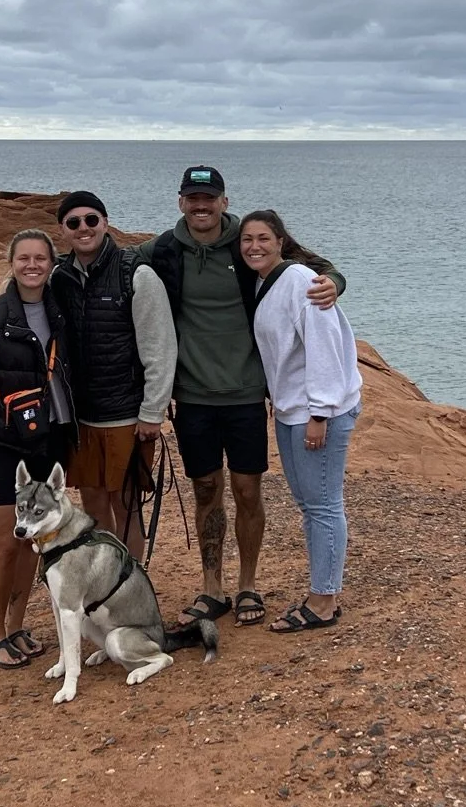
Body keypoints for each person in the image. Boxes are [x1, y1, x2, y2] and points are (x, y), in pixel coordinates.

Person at [123, 166, 341, 628]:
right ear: (181, 201)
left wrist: (336, 282)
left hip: (244, 395)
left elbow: (313, 266)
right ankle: (211, 587)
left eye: (210, 198)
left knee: (247, 491)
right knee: (206, 491)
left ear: (223, 201)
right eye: (193, 198)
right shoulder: (163, 249)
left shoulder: (247, 242)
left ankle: (247, 584)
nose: (201, 206)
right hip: (193, 397)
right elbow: (109, 262)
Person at [0, 228, 77, 669]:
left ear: (51, 263)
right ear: (11, 263)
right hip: (1, 445)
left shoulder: (60, 309)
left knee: (33, 542)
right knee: (7, 543)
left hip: (45, 441)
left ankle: (19, 625)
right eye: (23, 258)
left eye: (40, 258)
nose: (32, 266)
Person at [239, 209, 361, 632]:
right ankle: (321, 591)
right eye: (247, 240)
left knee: (324, 506)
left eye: (263, 238)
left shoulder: (299, 281)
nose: (254, 246)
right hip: (291, 409)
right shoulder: (261, 281)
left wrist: (320, 414)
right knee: (310, 504)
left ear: (280, 241)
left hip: (315, 412)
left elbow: (323, 344)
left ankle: (324, 602)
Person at [47, 191, 177, 553]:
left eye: (91, 219)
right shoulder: (58, 276)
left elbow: (160, 347)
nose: (83, 228)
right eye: (73, 222)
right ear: (63, 230)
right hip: (80, 418)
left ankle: (130, 585)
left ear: (105, 223)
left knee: (128, 507)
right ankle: (102, 581)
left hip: (126, 416)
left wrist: (152, 411)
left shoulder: (136, 273)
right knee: (92, 505)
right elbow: (16, 293)